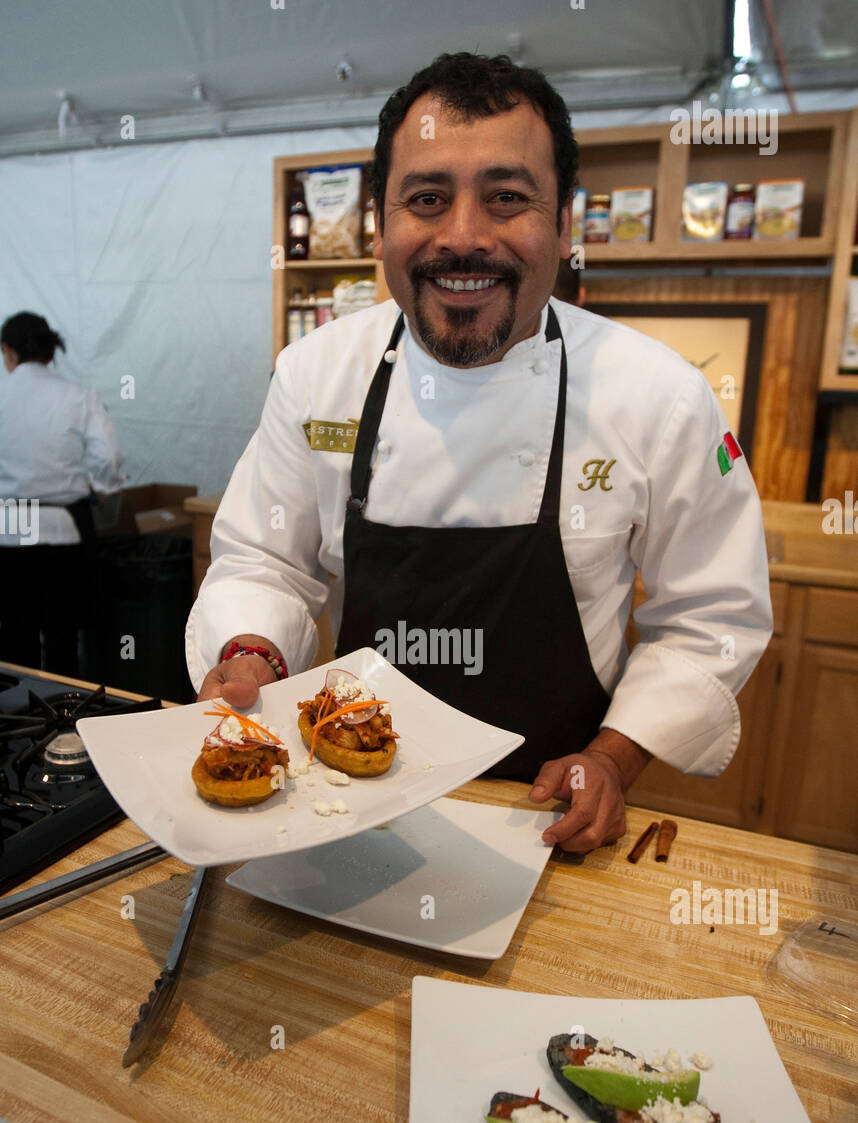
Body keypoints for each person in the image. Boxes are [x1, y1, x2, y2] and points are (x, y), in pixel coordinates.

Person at [186, 52, 772, 854]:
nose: (463, 238)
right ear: (380, 224)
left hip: (546, 816)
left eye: (506, 198)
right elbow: (265, 562)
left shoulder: (659, 397)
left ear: (565, 222)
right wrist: (251, 652)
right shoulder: (317, 376)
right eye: (426, 199)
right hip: (343, 806)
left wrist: (611, 757)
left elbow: (712, 615)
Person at [0, 311, 124, 677]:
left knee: (13, 638)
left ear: (7, 351)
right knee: (63, 638)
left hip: (7, 528)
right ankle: (64, 725)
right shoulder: (78, 395)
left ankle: (16, 726)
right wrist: (102, 489)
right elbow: (109, 457)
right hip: (65, 527)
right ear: (51, 353)